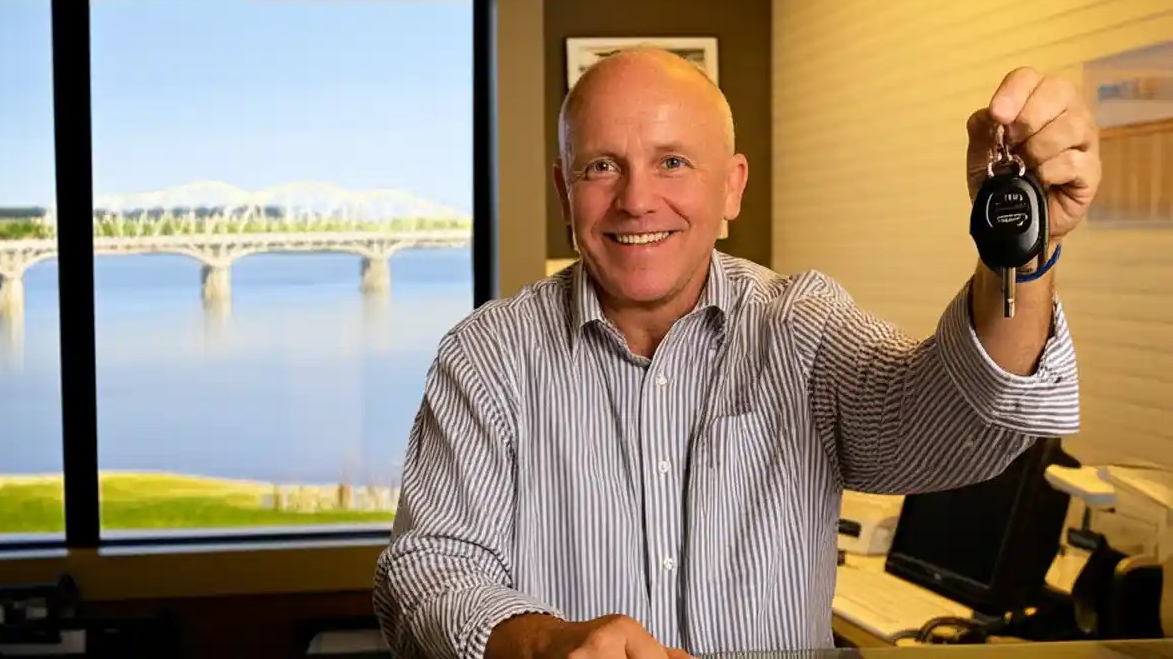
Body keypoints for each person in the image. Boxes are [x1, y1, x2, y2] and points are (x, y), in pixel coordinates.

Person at [373, 48, 1100, 659]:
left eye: (673, 162)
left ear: (732, 188)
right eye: (601, 167)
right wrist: (545, 642)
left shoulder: (803, 327)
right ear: (565, 194)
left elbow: (955, 423)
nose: (636, 200)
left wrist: (1019, 250)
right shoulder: (488, 355)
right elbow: (429, 571)